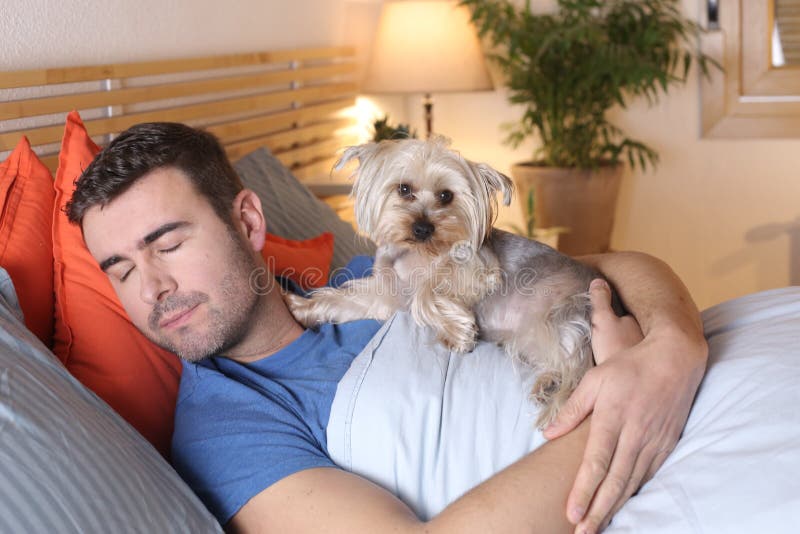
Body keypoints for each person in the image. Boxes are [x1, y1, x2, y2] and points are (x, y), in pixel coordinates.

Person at [67, 123, 708, 534]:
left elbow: (622, 267)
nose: (152, 289)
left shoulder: (368, 277)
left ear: (248, 221)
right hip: (643, 461)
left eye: (168, 244)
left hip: (684, 400)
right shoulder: (229, 427)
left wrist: (674, 346)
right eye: (119, 269)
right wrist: (631, 400)